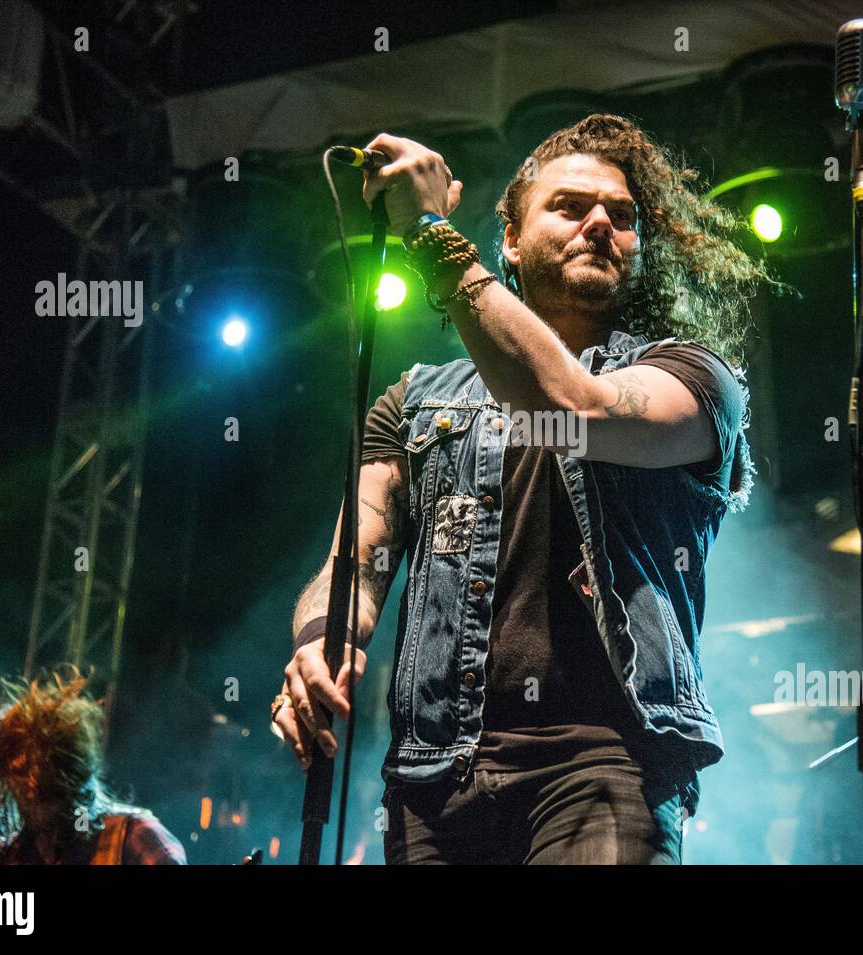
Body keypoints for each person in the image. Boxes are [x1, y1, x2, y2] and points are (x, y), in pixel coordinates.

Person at [274, 113, 774, 864]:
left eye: (624, 216)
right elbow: (359, 559)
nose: (602, 221)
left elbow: (567, 405)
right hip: (434, 775)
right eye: (570, 206)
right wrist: (323, 640)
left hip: (604, 765)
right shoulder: (414, 400)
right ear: (510, 238)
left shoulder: (693, 380)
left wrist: (433, 236)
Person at [0, 667, 186, 865]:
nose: (33, 784)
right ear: (3, 775)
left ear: (73, 771)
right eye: (21, 772)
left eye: (46, 770)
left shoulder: (136, 838)